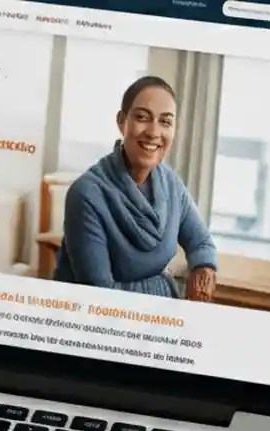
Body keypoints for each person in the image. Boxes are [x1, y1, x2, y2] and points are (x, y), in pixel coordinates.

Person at [55, 76, 218, 301]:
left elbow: (201, 241)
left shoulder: (171, 183)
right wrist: (166, 285)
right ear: (122, 121)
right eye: (142, 117)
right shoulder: (86, 194)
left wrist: (204, 270)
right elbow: (100, 296)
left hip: (151, 319)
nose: (153, 132)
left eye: (165, 121)